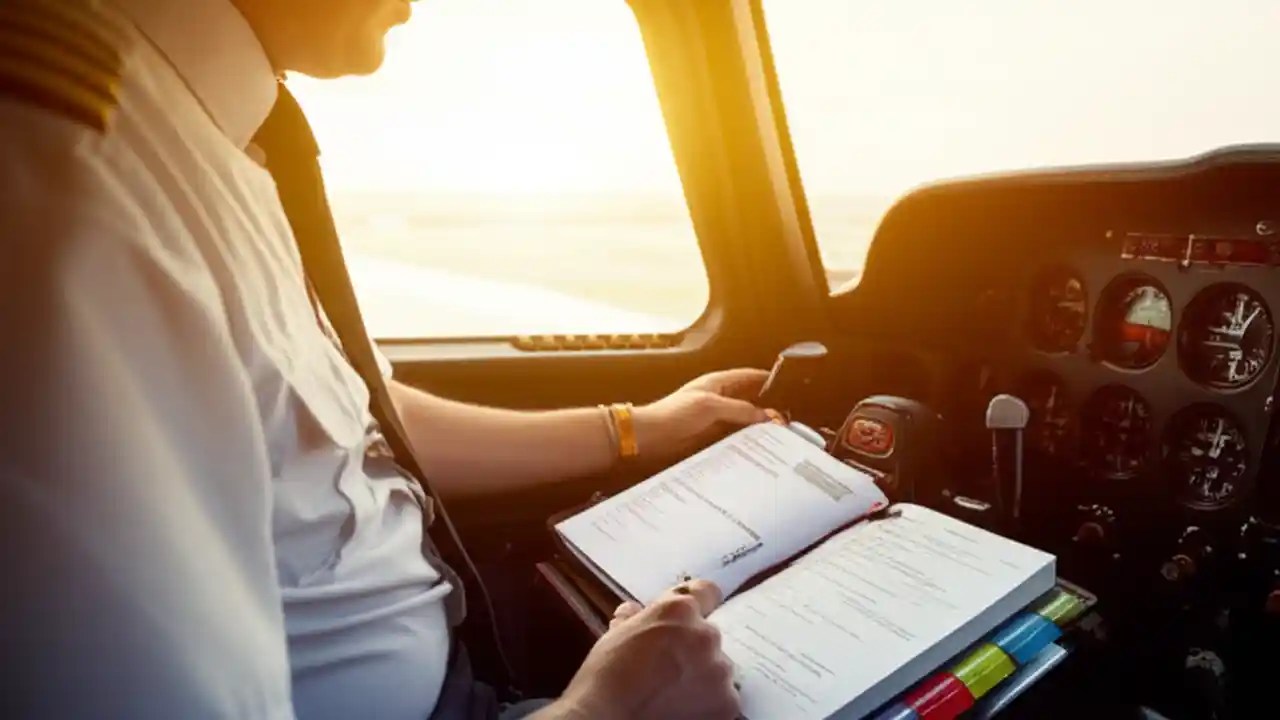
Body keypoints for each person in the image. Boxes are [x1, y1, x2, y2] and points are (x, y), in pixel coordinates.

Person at [0, 1, 770, 719]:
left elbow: (351, 417)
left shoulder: (207, 127)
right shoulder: (73, 163)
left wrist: (639, 427)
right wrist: (600, 712)